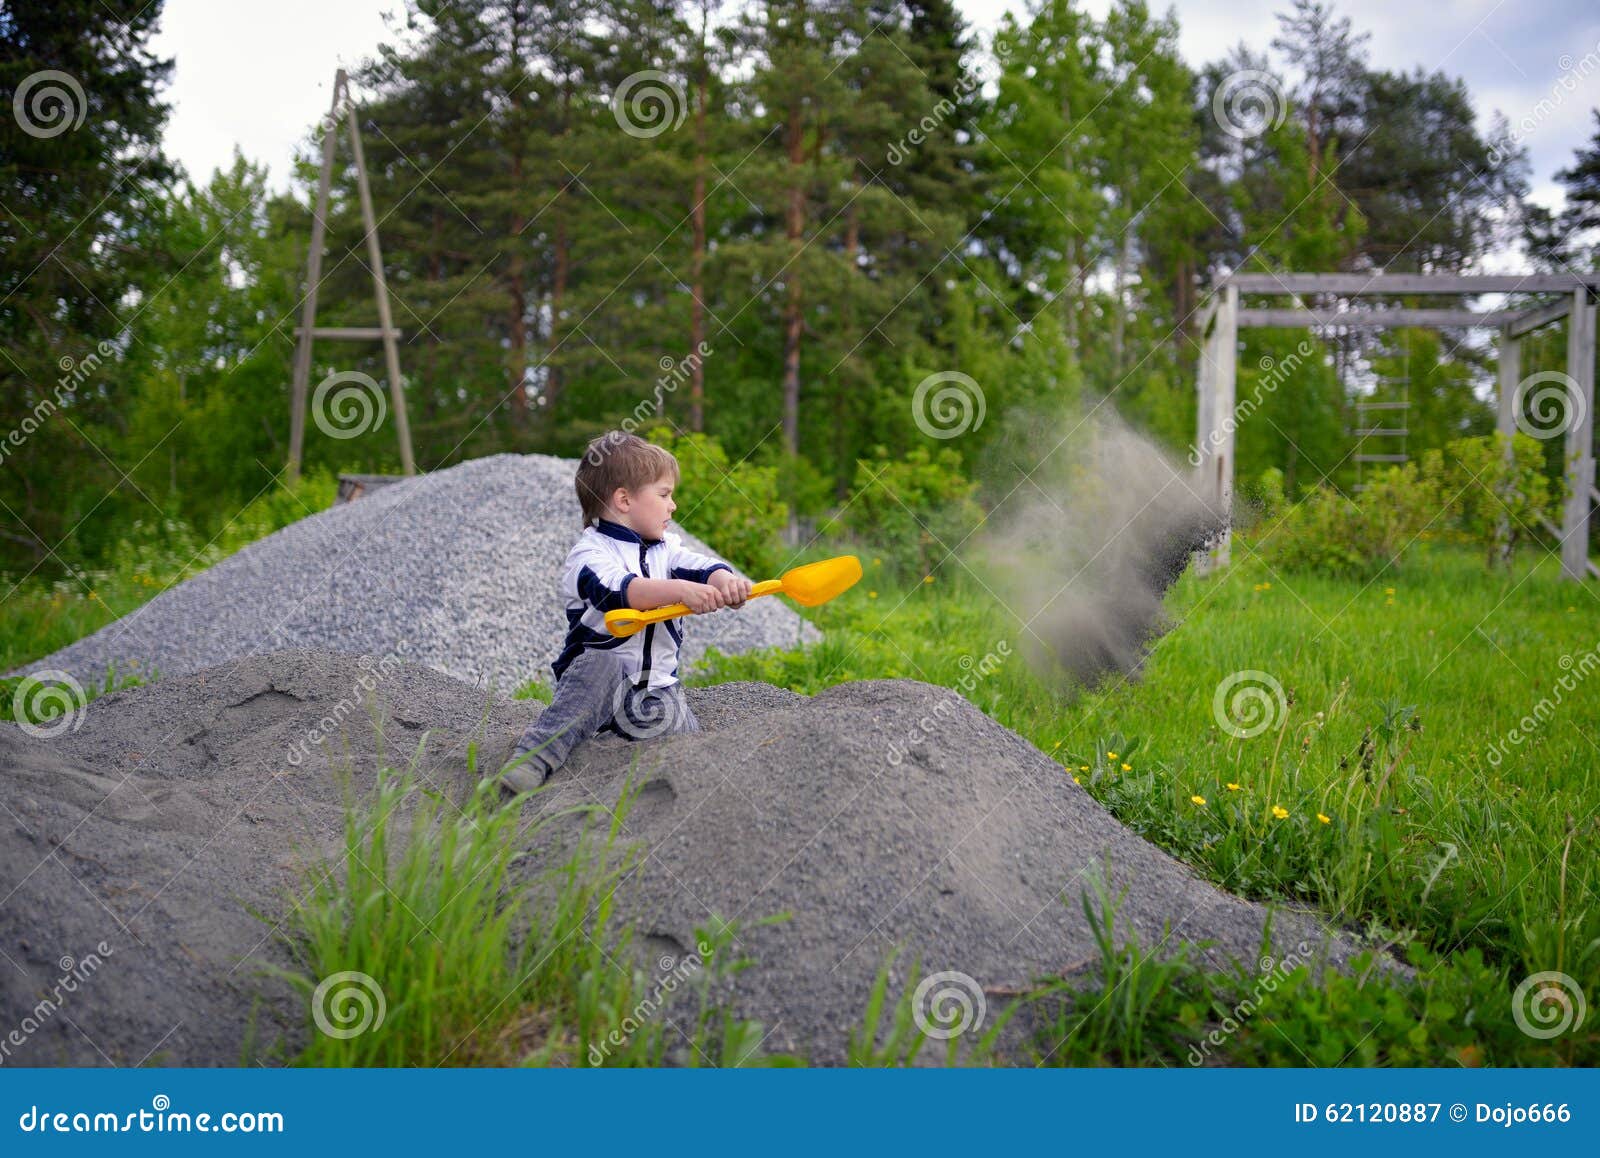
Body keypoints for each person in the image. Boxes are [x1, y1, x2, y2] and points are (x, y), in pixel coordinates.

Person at [496, 429, 753, 795]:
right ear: (623, 499)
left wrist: (724, 579)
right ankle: (536, 756)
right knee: (604, 664)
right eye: (664, 494)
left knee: (688, 747)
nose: (673, 505)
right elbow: (618, 591)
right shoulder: (589, 556)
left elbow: (700, 566)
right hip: (595, 687)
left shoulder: (667, 550)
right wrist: (681, 591)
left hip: (653, 693)